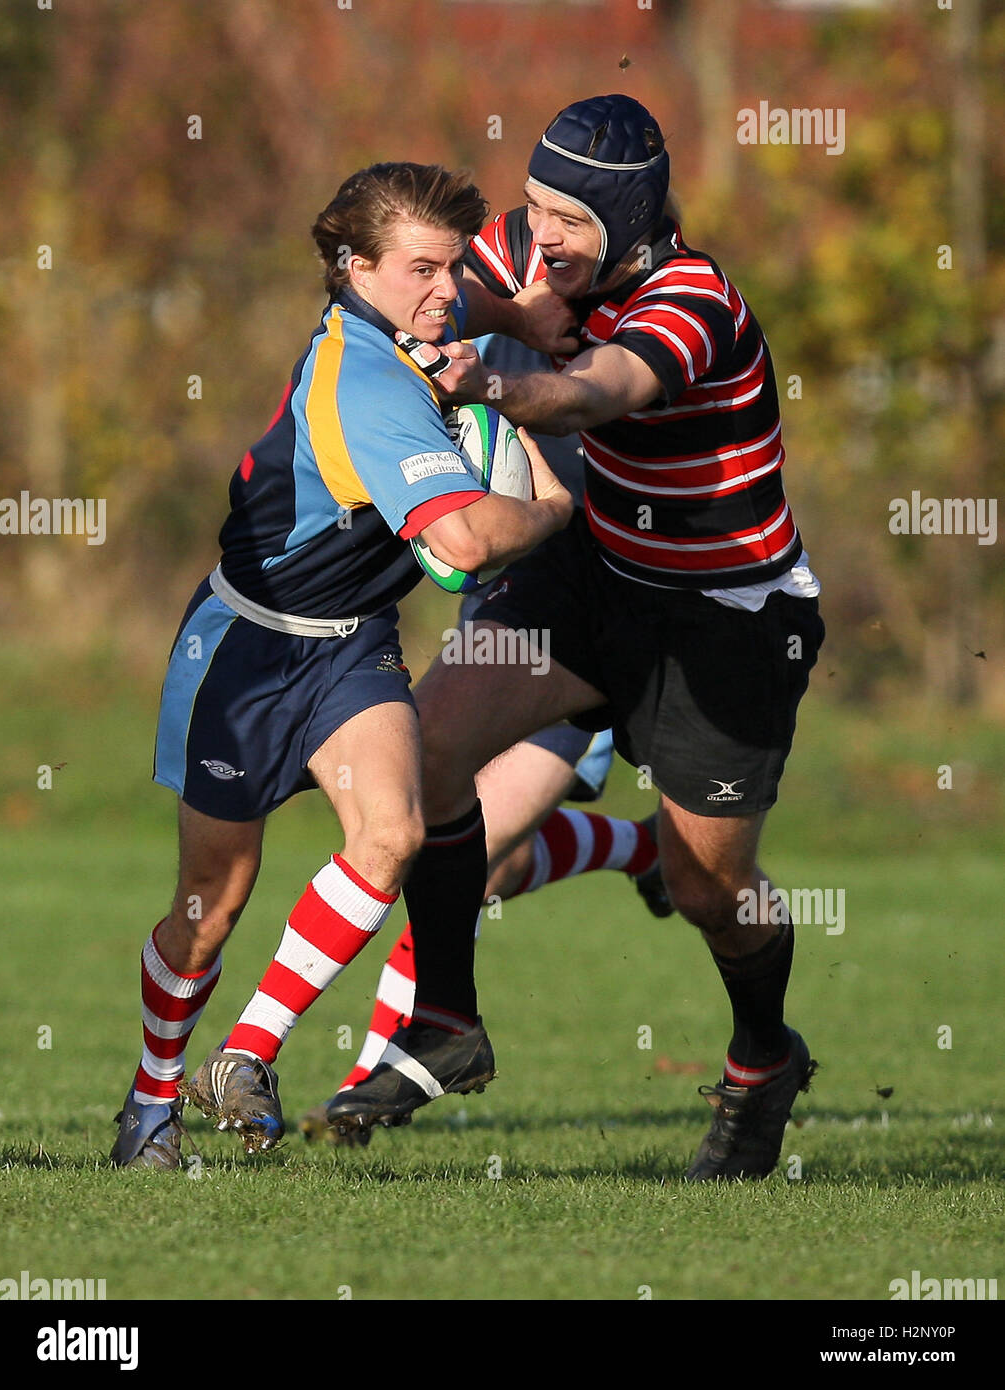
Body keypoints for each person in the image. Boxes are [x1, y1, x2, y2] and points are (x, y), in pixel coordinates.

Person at [315, 96, 825, 1182]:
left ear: (628, 220)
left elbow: (600, 391)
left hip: (724, 620)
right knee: (426, 748)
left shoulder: (695, 301)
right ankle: (447, 1020)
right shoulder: (529, 252)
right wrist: (494, 306)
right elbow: (441, 281)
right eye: (535, 205)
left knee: (709, 892)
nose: (539, 232)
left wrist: (495, 376)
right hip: (590, 578)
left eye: (569, 219)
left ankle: (761, 1059)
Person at [109, 162, 575, 1168]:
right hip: (246, 651)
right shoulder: (364, 383)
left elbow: (466, 300)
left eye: (453, 267)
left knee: (393, 833)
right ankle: (150, 1100)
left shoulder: (410, 316)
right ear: (355, 268)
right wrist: (549, 511)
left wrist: (520, 320)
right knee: (211, 905)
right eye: (423, 270)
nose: (446, 289)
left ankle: (243, 1054)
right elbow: (462, 545)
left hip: (354, 642)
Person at [300, 333, 671, 1145]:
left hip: (580, 642)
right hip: (499, 629)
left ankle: (367, 1083)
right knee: (481, 861)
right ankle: (644, 851)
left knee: (454, 854)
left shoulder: (614, 342)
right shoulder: (461, 329)